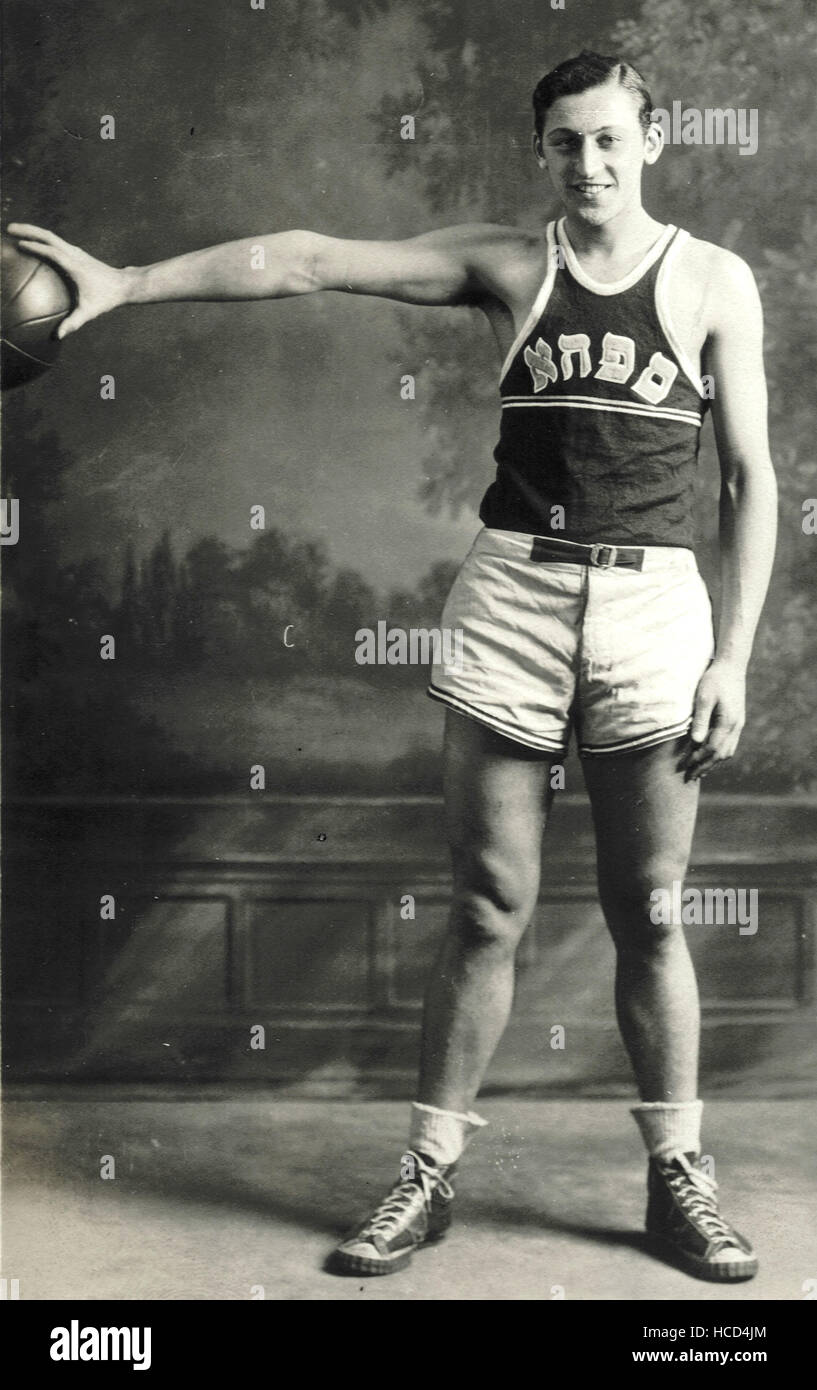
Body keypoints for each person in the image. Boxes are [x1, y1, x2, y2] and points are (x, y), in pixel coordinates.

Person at [9, 49, 776, 1285]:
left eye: (611, 140)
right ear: (542, 152)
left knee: (649, 908)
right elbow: (311, 256)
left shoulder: (711, 283)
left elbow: (751, 483)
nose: (590, 163)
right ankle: (427, 1171)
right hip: (514, 596)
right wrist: (125, 282)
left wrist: (731, 658)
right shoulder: (509, 266)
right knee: (485, 905)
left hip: (654, 611)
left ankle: (677, 1173)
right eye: (566, 142)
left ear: (650, 142)